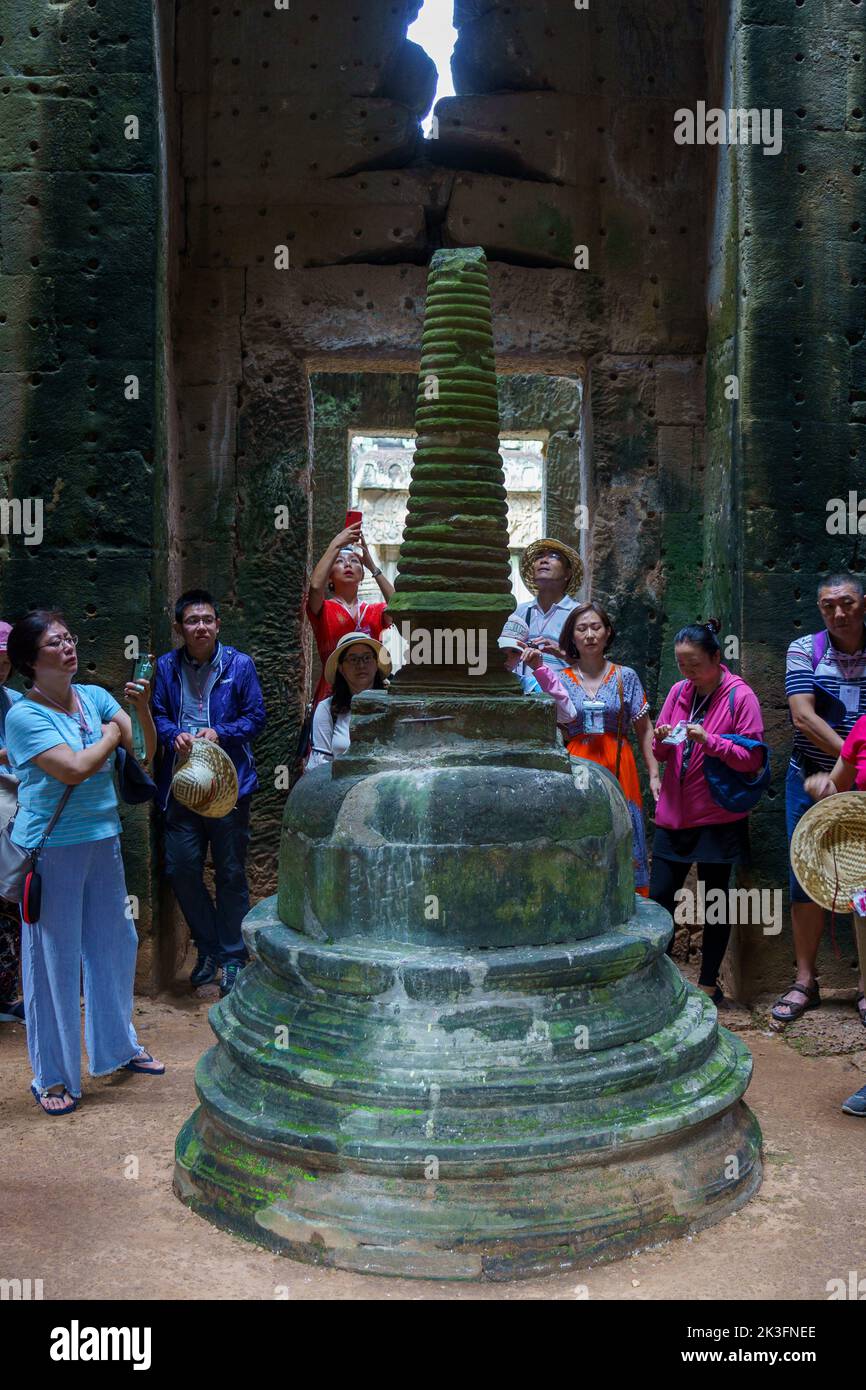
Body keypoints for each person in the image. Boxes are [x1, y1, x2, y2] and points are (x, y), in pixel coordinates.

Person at [4, 610, 164, 1115]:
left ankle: (118, 1046)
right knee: (52, 960)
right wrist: (113, 735)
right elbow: (73, 769)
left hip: (103, 838)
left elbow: (144, 751)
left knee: (115, 945)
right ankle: (52, 1075)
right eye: (56, 643)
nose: (69, 647)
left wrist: (137, 715)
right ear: (31, 660)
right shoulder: (24, 715)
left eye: (70, 638)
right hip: (51, 849)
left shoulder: (94, 696)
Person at [151, 589, 266, 996]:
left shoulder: (240, 666)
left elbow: (256, 717)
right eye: (192, 620)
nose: (200, 626)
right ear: (180, 627)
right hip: (181, 784)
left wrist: (221, 732)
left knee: (231, 872)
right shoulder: (165, 667)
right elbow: (158, 714)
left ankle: (233, 957)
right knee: (182, 868)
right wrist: (172, 735)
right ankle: (210, 947)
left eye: (207, 619)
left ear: (218, 624)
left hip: (229, 784)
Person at [649, 619, 765, 1005]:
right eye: (682, 665)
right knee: (661, 896)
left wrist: (710, 741)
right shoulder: (680, 692)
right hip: (674, 815)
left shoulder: (740, 696)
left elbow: (751, 759)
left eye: (695, 664)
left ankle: (709, 984)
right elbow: (660, 751)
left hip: (717, 818)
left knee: (716, 901)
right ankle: (660, 979)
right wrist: (662, 740)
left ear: (717, 657)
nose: (688, 673)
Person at [774, 573, 866, 1027]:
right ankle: (805, 980)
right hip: (809, 776)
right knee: (804, 877)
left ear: (863, 603)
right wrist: (851, 759)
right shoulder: (803, 650)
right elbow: (803, 716)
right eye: (828, 605)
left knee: (865, 885)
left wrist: (855, 769)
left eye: (846, 603)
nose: (838, 612)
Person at [559, 603, 659, 896]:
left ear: (607, 632)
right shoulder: (562, 679)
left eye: (595, 627)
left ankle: (626, 899)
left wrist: (654, 773)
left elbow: (644, 729)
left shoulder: (624, 676)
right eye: (581, 629)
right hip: (577, 762)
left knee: (623, 827)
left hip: (619, 761)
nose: (589, 634)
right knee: (579, 831)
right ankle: (580, 896)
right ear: (572, 637)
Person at [307, 524, 394, 706]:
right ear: (329, 577)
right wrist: (336, 544)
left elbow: (398, 607)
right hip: (331, 693)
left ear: (362, 575)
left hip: (371, 692)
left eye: (355, 561)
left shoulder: (374, 611)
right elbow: (315, 587)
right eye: (339, 561)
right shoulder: (324, 609)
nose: (347, 564)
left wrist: (372, 567)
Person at [306, 633, 390, 771]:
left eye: (367, 658)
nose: (361, 664)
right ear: (341, 669)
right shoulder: (328, 709)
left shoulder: (392, 703)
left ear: (376, 664)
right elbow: (319, 766)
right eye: (353, 659)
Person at [507, 538, 583, 674]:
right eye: (539, 556)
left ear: (567, 574)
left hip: (562, 693)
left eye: (554, 556)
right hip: (524, 693)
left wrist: (563, 653)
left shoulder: (579, 614)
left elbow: (594, 666)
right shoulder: (520, 612)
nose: (544, 560)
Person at [0, 620, 24, 1023]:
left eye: (5, 662)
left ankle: (4, 995)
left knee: (8, 905)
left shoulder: (16, 702)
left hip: (12, 814)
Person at [498, 615, 577, 725]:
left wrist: (540, 669)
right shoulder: (471, 680)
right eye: (501, 649)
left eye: (515, 652)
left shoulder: (530, 686)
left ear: (522, 655)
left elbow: (567, 715)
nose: (507, 657)